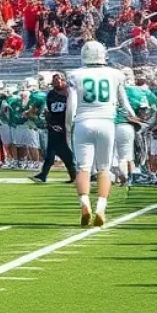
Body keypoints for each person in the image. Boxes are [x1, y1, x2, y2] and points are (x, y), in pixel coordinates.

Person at [66, 41, 134, 227]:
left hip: (83, 121)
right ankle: (101, 208)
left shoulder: (75, 75)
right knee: (104, 169)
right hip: (106, 122)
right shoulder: (115, 74)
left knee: (84, 168)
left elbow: (71, 105)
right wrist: (134, 117)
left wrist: (68, 127)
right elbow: (124, 102)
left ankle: (85, 203)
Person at [32, 73, 76, 184]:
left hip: (66, 126)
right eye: (56, 80)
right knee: (53, 152)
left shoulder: (70, 93)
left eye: (61, 79)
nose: (59, 82)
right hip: (54, 126)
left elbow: (72, 111)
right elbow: (49, 111)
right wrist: (50, 123)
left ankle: (74, 175)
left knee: (65, 153)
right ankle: (43, 175)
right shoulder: (51, 94)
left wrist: (67, 126)